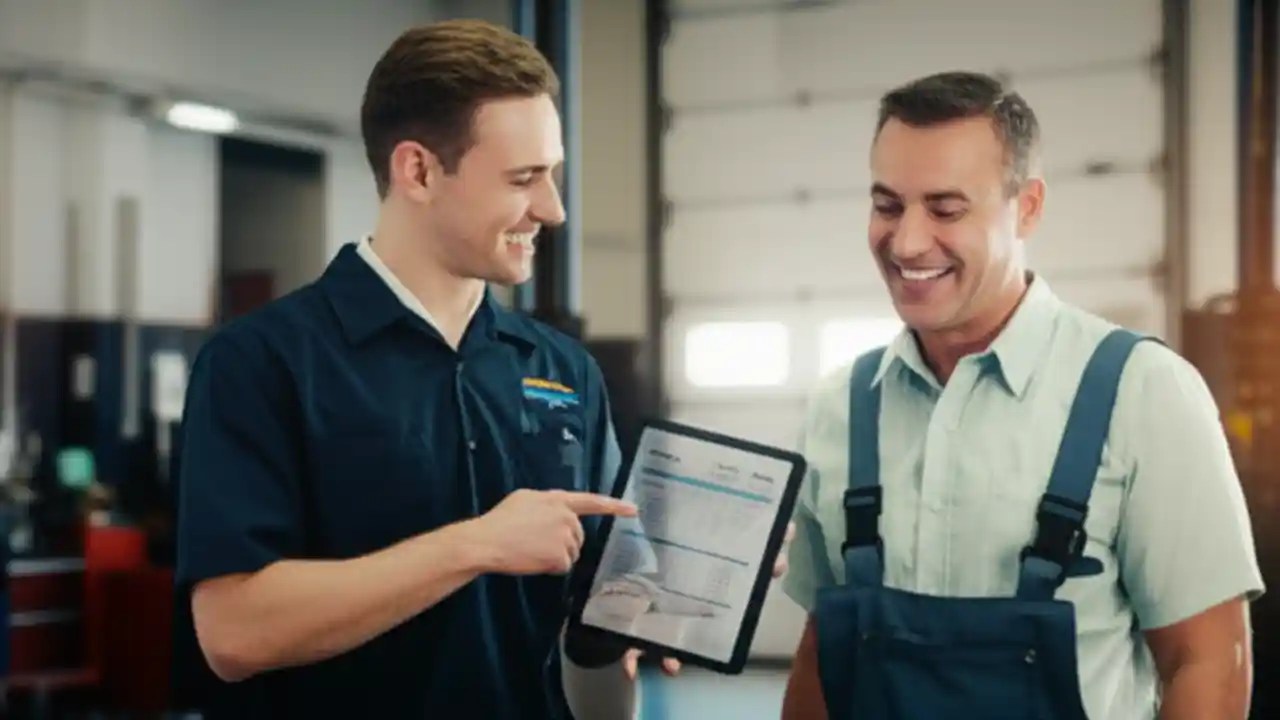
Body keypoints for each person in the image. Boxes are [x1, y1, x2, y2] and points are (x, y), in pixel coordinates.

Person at [175, 18, 769, 719]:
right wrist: (477, 545)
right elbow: (234, 633)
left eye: (553, 174)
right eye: (524, 179)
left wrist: (678, 593)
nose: (552, 209)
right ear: (419, 171)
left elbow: (597, 645)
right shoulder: (260, 363)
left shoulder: (562, 370)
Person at [780, 71, 1265, 720]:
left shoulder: (1146, 394)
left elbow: (1208, 660)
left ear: (1028, 206)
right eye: (888, 205)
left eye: (946, 208)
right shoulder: (840, 406)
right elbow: (822, 653)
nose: (907, 241)